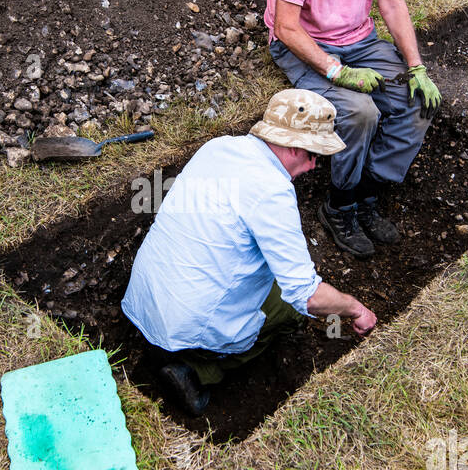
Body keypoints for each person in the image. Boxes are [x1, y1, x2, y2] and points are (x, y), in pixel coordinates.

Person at [121, 89, 377, 416]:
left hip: (146, 296)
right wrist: (355, 309)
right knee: (292, 311)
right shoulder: (272, 191)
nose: (315, 166)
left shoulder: (219, 147)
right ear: (297, 147)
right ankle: (199, 371)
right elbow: (307, 296)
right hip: (188, 325)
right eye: (316, 155)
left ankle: (181, 351)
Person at [264, 0, 440, 258]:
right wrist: (337, 72)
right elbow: (288, 27)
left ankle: (366, 195)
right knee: (360, 113)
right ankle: (339, 207)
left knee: (418, 104)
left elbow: (391, 1)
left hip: (359, 39)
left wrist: (416, 67)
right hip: (305, 43)